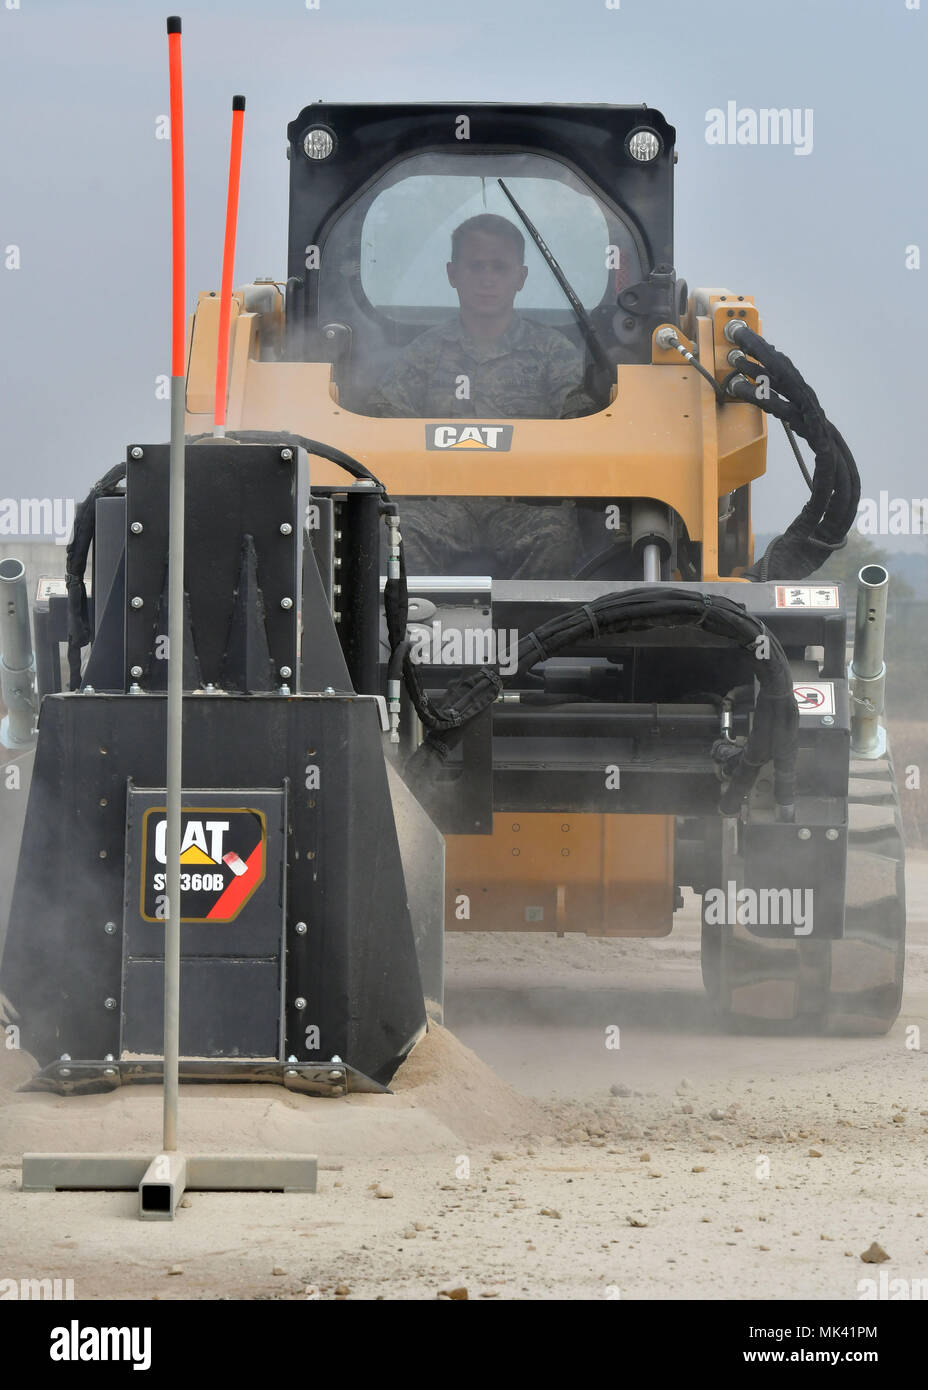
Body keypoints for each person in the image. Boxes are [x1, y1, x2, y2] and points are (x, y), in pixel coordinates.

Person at [367, 213, 596, 578]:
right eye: (475, 266)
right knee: (395, 533)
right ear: (452, 274)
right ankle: (415, 616)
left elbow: (580, 421)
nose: (488, 279)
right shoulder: (424, 353)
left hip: (524, 505)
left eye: (499, 267)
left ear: (520, 277)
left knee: (557, 537)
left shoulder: (553, 353)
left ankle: (533, 619)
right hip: (442, 505)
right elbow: (385, 418)